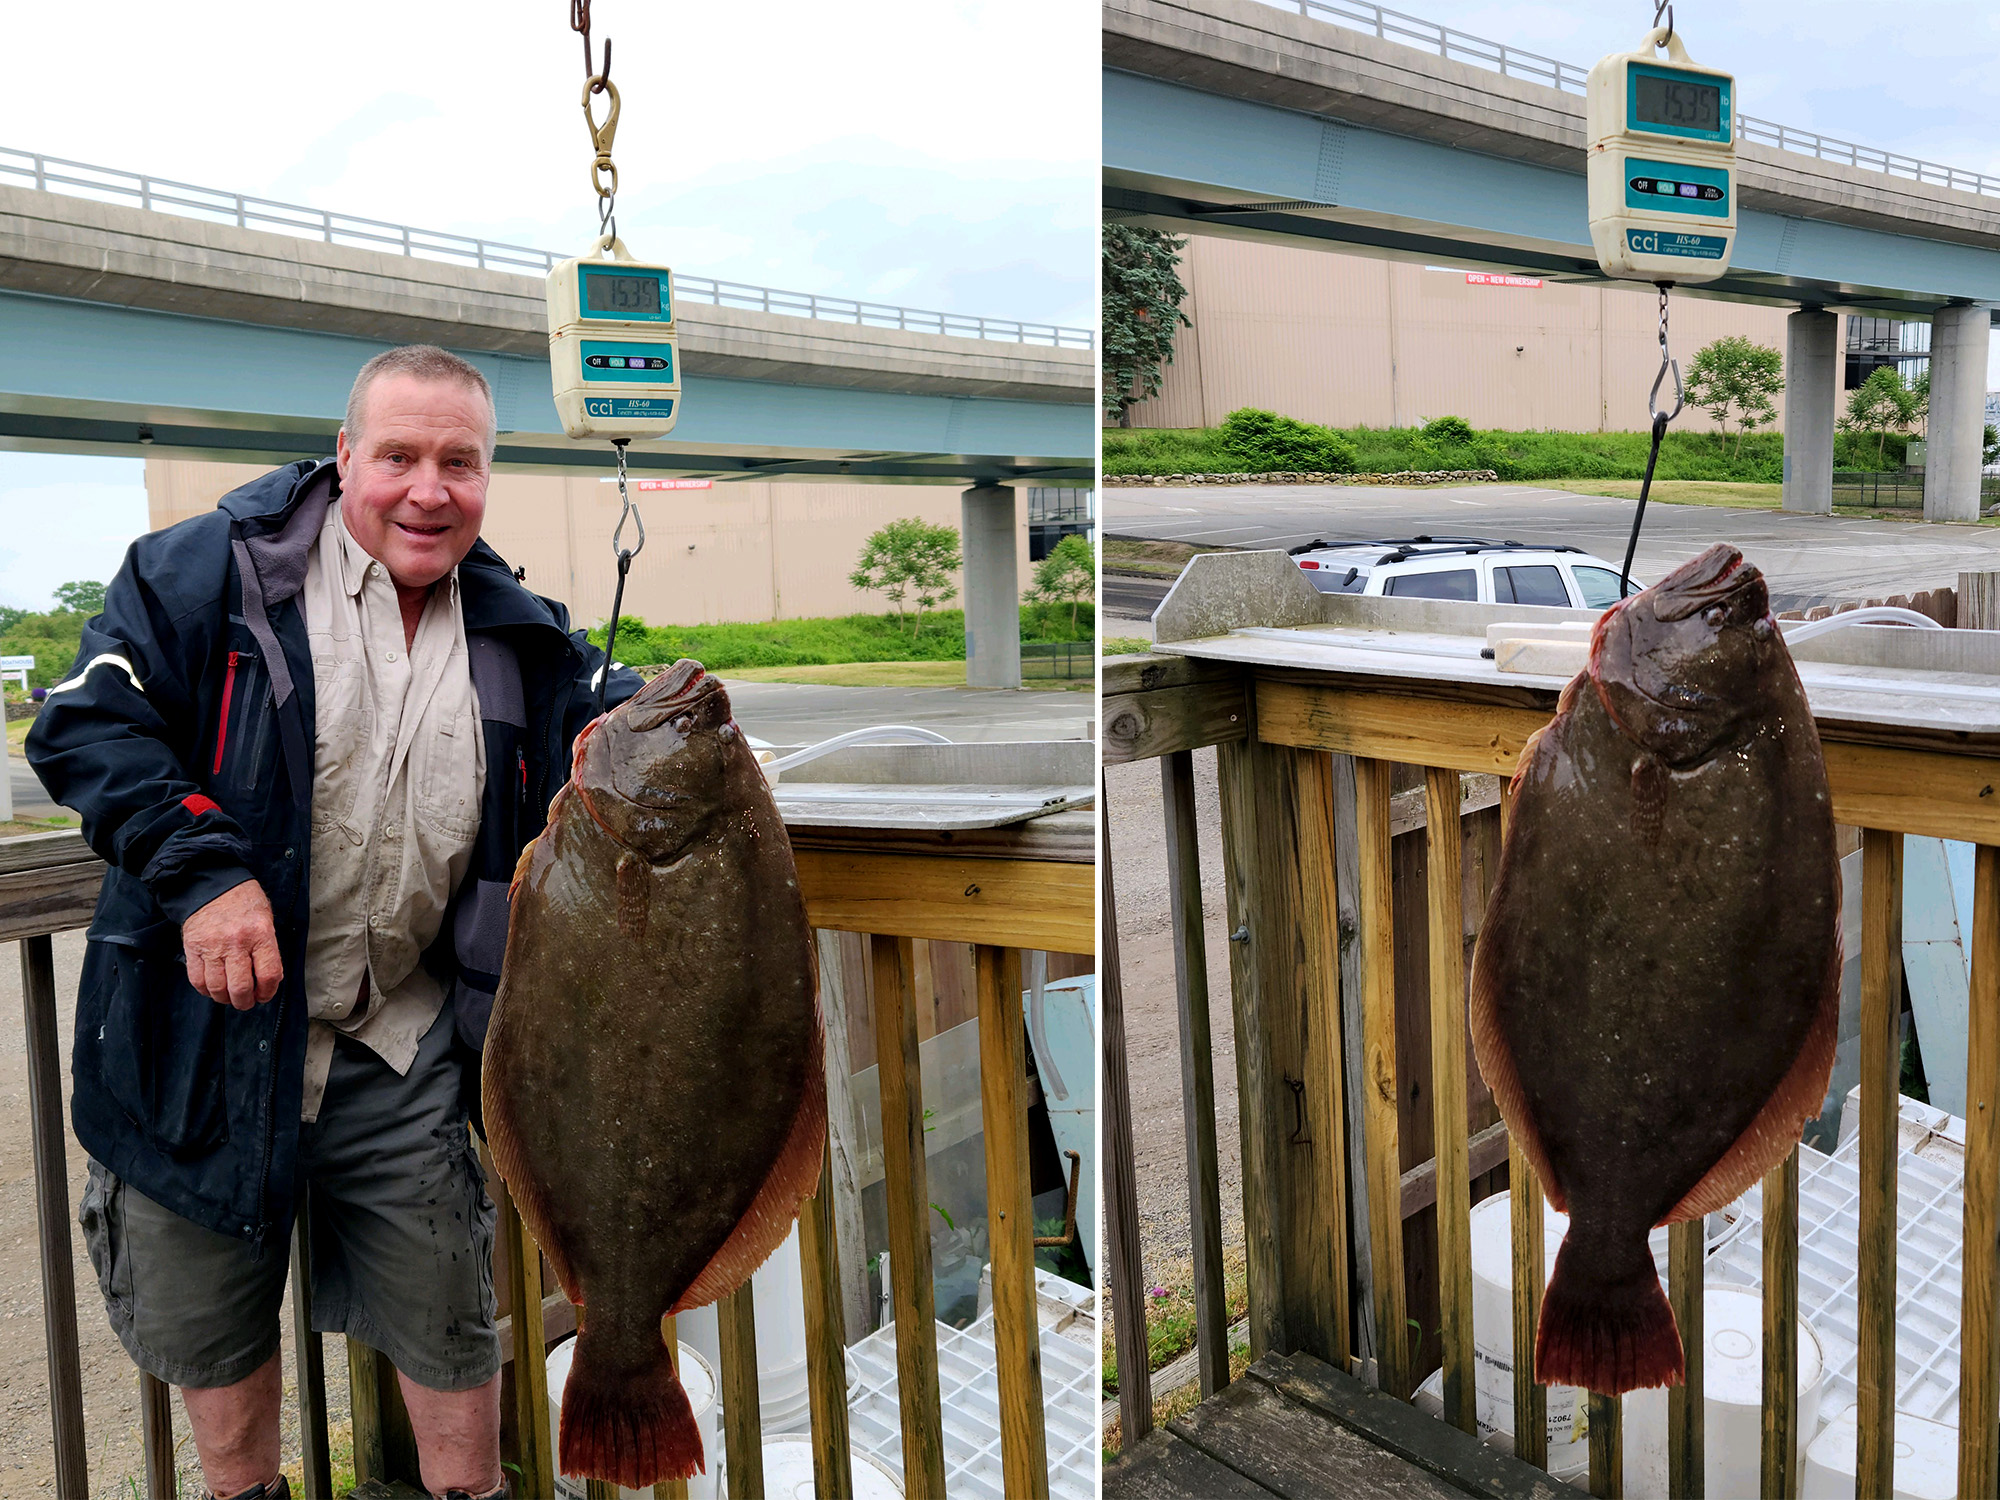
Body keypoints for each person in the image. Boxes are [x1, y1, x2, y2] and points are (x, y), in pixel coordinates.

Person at [28, 345, 639, 1500]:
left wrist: (683, 730)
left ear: (487, 476)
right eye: (400, 455)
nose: (428, 489)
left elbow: (604, 726)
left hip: (397, 1049)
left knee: (451, 1334)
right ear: (345, 455)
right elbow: (84, 725)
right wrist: (201, 872)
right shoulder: (197, 574)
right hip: (199, 1051)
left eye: (459, 462)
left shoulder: (517, 631)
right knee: (218, 1352)